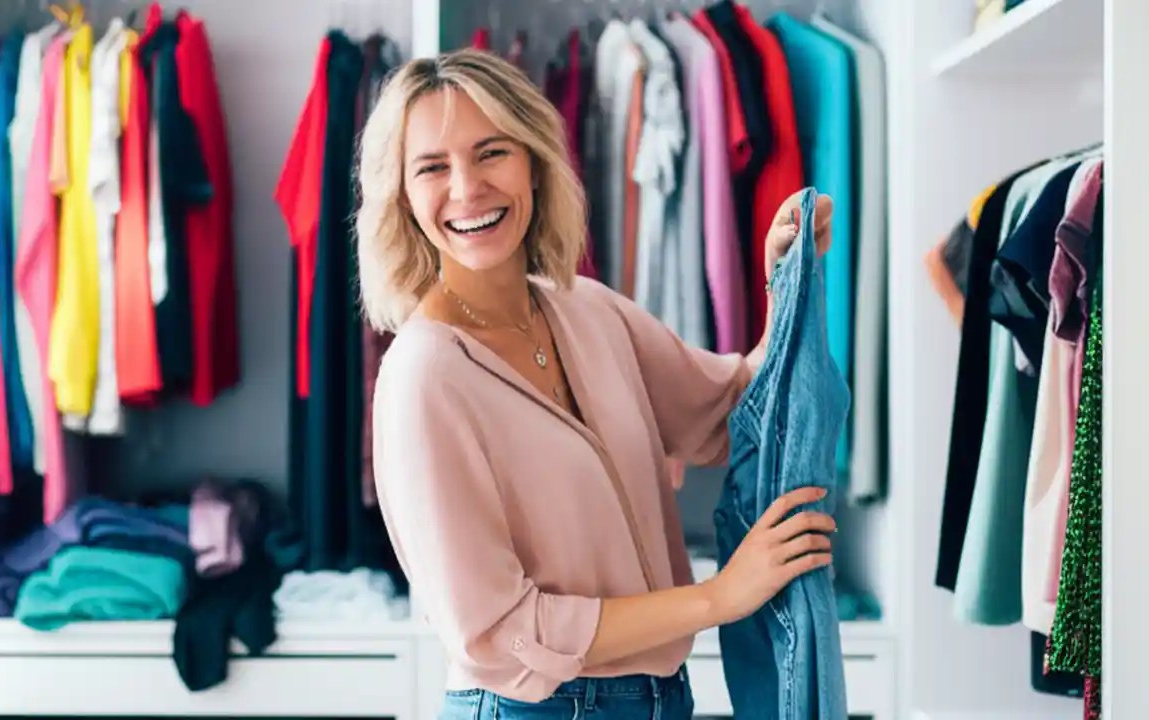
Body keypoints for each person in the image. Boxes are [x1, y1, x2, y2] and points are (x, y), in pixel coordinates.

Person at [356, 49, 837, 720]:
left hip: (661, 700)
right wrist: (719, 597)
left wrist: (781, 281)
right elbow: (496, 629)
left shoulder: (585, 308)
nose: (466, 189)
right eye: (432, 167)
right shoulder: (424, 376)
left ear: (533, 161)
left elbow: (731, 415)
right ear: (403, 197)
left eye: (491, 153)